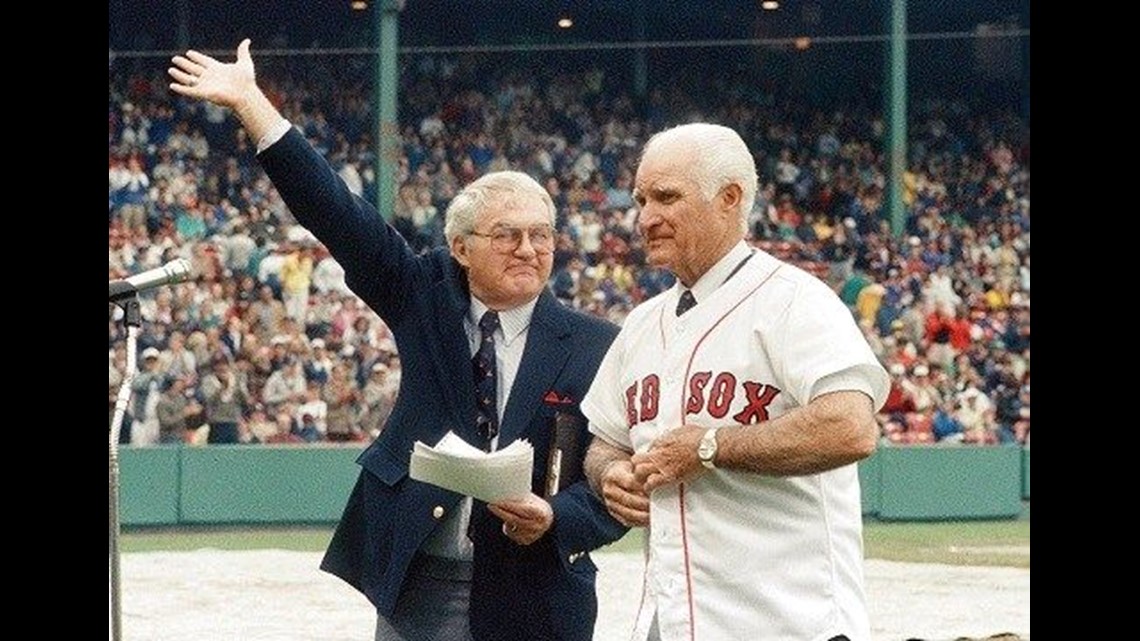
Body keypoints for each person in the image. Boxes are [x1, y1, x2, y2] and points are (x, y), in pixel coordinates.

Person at [169, 40, 627, 641]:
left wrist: (556, 517)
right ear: (461, 249)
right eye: (507, 235)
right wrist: (253, 105)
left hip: (536, 589)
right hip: (422, 578)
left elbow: (618, 485)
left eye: (542, 236)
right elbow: (336, 213)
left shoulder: (599, 345)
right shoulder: (423, 297)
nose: (528, 249)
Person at [579, 122, 890, 641]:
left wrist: (710, 447)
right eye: (640, 200)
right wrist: (609, 474)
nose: (645, 218)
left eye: (666, 198)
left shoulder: (794, 301)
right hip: (670, 617)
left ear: (729, 198)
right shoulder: (640, 325)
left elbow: (850, 427)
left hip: (786, 622)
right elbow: (603, 443)